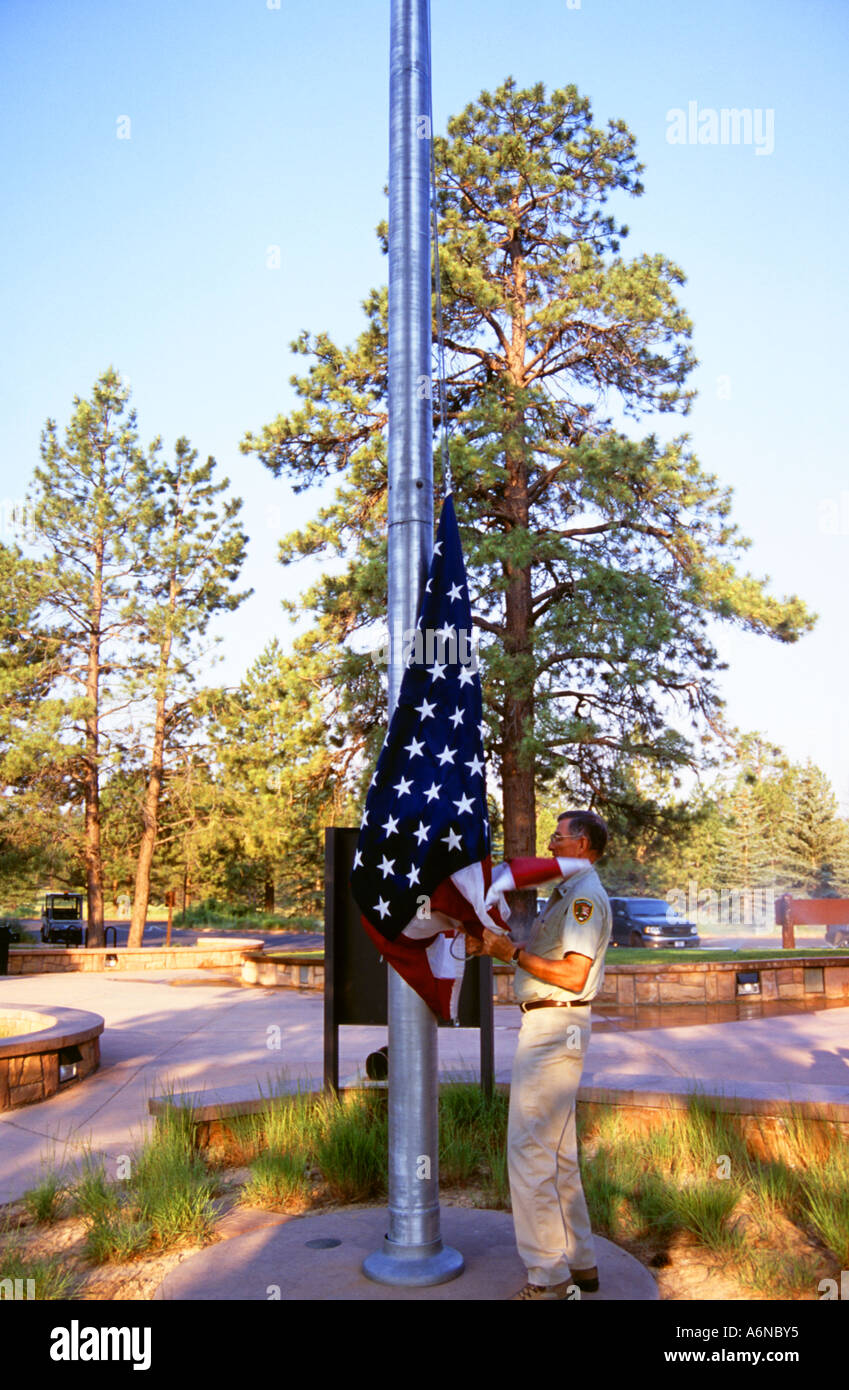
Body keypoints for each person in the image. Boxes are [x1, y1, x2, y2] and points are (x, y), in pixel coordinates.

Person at [468, 808, 612, 1300]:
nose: (550, 845)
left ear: (584, 846)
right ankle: (580, 1263)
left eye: (559, 837)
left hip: (554, 1028)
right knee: (559, 1155)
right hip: (555, 1026)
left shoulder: (583, 900)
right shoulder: (568, 895)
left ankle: (547, 1280)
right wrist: (496, 945)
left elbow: (572, 974)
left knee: (529, 1151)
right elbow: (547, 954)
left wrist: (509, 955)